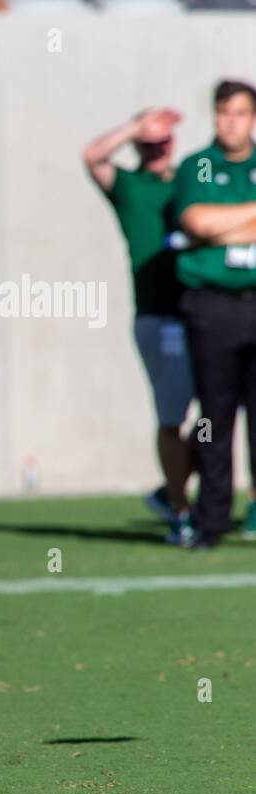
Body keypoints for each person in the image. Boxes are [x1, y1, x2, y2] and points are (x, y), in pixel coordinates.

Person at [83, 108, 194, 537]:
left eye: (163, 138)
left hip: (205, 312)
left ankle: (173, 489)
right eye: (149, 138)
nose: (157, 145)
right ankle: (181, 512)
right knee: (173, 417)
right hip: (158, 316)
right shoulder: (130, 186)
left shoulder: (189, 181)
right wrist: (135, 125)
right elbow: (92, 156)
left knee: (217, 419)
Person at [173, 79, 256, 548]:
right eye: (224, 112)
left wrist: (223, 226)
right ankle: (212, 519)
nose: (231, 122)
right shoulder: (199, 166)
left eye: (240, 113)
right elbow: (197, 222)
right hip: (213, 307)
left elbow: (212, 226)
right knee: (214, 419)